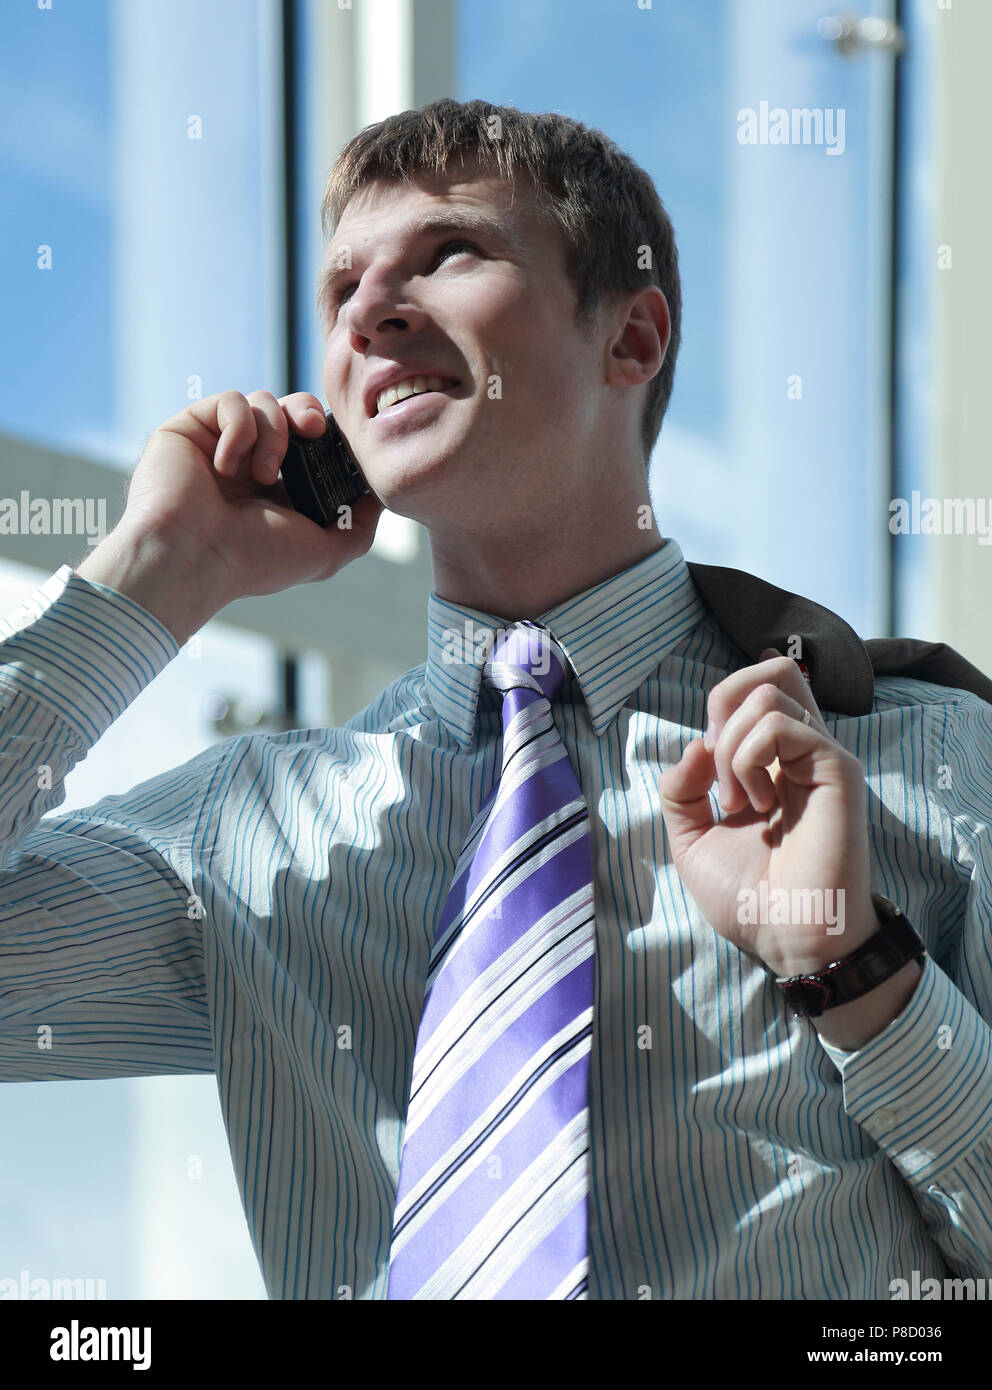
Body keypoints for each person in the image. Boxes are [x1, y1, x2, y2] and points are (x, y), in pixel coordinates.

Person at [1, 98, 990, 1301]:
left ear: (631, 338)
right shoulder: (249, 835)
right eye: (340, 290)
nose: (368, 313)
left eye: (448, 252)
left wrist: (856, 974)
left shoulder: (930, 762)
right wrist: (156, 575)